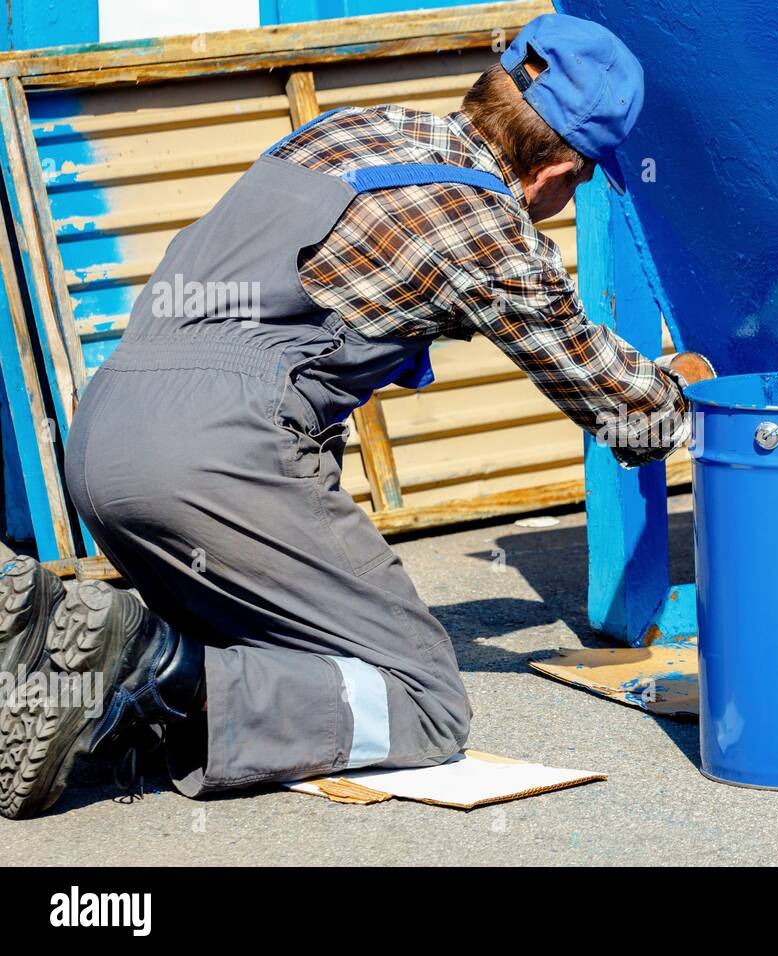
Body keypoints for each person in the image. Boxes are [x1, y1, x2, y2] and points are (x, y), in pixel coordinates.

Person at [0, 13, 712, 820]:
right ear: (557, 169)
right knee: (421, 701)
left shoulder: (349, 131)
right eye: (581, 182)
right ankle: (151, 662)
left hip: (105, 437)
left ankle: (65, 673)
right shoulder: (488, 231)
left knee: (283, 659)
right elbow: (633, 419)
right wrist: (688, 388)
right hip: (215, 458)